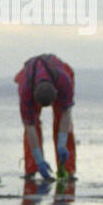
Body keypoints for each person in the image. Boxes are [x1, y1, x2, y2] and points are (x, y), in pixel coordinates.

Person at [15, 53, 75, 181]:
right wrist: (39, 159)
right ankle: (32, 169)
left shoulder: (64, 81)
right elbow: (29, 126)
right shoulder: (25, 90)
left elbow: (66, 113)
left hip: (59, 71)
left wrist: (62, 144)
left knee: (63, 122)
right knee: (32, 123)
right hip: (29, 77)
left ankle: (67, 169)